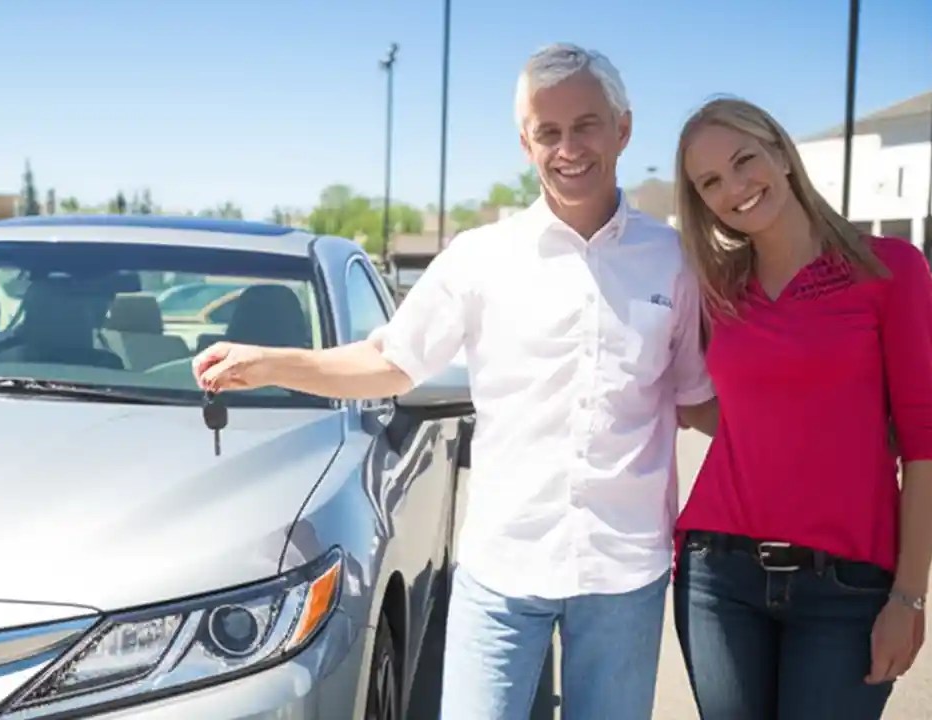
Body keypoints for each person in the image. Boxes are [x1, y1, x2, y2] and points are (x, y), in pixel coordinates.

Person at [194, 43, 716, 720]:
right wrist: (269, 362)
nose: (568, 148)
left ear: (622, 128)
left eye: (586, 125)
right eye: (547, 132)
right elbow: (390, 361)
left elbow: (701, 398)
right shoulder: (480, 259)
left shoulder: (673, 262)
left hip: (624, 575)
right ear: (525, 142)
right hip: (502, 573)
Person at [670, 97, 932, 719]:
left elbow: (926, 445)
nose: (735, 188)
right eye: (711, 182)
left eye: (745, 160)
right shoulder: (716, 290)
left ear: (780, 152)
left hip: (848, 589)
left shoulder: (888, 269)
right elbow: (708, 407)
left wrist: (910, 597)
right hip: (719, 574)